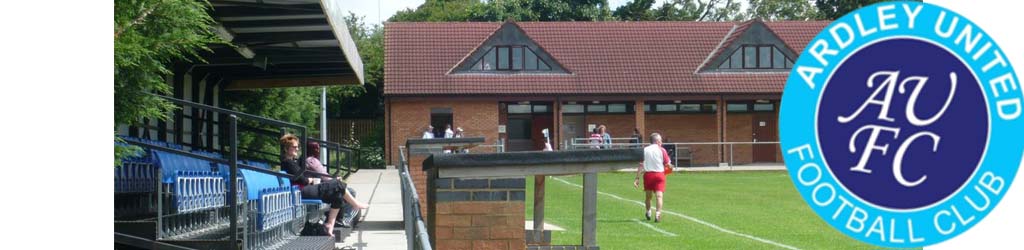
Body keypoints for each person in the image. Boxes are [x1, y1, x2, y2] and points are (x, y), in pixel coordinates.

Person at [280, 134, 368, 236]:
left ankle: (329, 224)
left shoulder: (292, 162)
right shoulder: (288, 162)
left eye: (298, 146)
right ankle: (355, 205)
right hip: (300, 191)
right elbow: (302, 180)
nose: (297, 149)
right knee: (338, 185)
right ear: (286, 149)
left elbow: (302, 179)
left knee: (338, 194)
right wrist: (310, 179)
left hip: (303, 189)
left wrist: (309, 180)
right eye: (294, 147)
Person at [305, 141, 359, 228]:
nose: (318, 150)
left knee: (343, 191)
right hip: (320, 187)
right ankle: (344, 218)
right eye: (316, 148)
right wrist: (334, 180)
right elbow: (324, 176)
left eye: (318, 148)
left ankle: (338, 218)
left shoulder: (311, 160)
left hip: (321, 185)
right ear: (310, 149)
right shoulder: (311, 161)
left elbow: (323, 175)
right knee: (350, 192)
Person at [633, 133, 672, 222]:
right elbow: (668, 164)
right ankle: (658, 214)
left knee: (648, 196)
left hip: (648, 175)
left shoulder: (644, 150)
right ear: (657, 141)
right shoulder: (662, 150)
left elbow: (641, 165)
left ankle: (648, 211)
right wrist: (670, 168)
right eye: (660, 140)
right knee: (659, 196)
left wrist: (637, 178)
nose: (661, 142)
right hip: (659, 174)